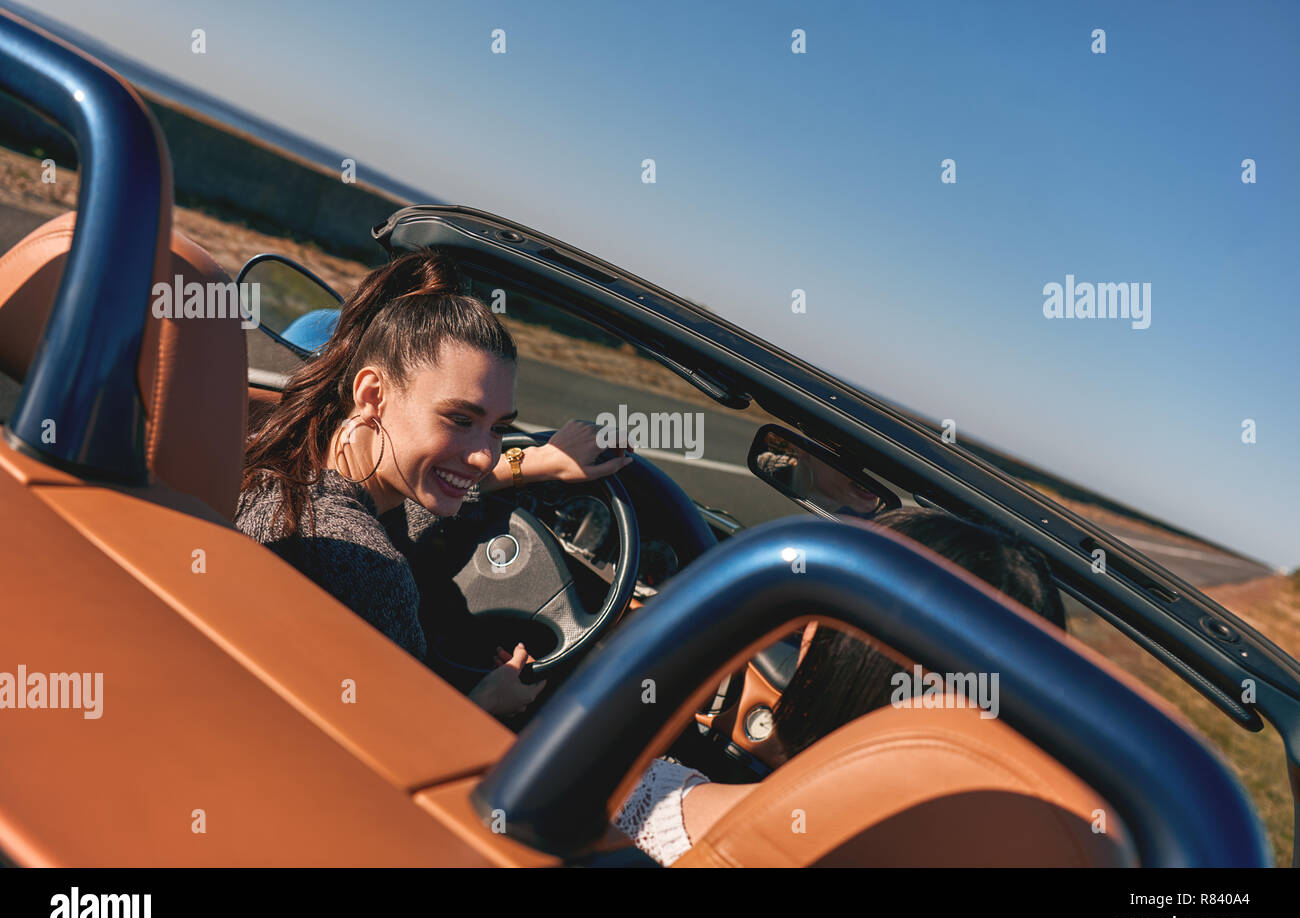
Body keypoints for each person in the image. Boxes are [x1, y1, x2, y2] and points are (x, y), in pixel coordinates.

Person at [236, 249, 632, 719]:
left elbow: (427, 491)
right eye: (460, 418)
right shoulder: (369, 569)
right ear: (372, 395)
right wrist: (486, 703)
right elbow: (402, 748)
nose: (485, 454)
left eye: (499, 427)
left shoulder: (282, 461)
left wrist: (540, 461)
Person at [611, 506, 1068, 865]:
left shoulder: (661, 815)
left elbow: (567, 809)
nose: (806, 627)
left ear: (851, 660)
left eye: (825, 611)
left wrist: (542, 698)